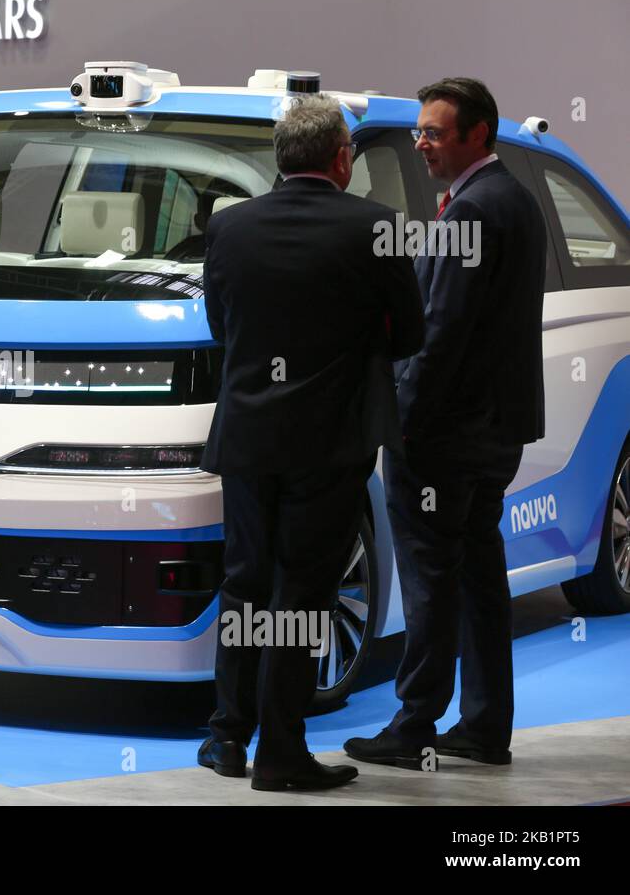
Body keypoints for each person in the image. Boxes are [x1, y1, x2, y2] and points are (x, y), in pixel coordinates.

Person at [199, 94, 425, 791]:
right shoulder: (377, 228)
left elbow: (220, 329)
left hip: (247, 437)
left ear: (281, 158)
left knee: (245, 586)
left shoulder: (229, 228)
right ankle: (281, 751)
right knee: (301, 593)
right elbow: (411, 336)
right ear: (341, 158)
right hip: (329, 444)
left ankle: (226, 738)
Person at [344, 78, 547, 770]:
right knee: (481, 576)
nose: (421, 143)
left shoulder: (471, 214)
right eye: (421, 131)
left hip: (444, 433)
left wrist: (400, 423)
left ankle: (414, 723)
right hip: (496, 429)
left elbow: (440, 334)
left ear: (478, 135)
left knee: (431, 575)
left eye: (435, 132)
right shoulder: (514, 200)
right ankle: (486, 726)